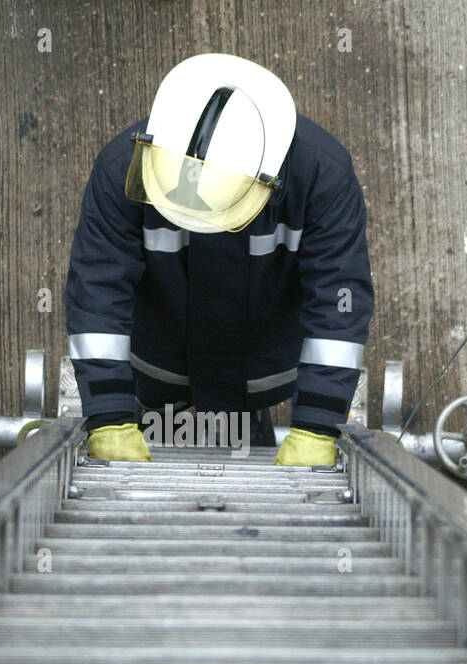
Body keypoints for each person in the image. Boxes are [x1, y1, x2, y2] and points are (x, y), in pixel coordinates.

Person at [64, 52, 373, 466]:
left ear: (269, 177)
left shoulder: (320, 175)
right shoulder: (122, 167)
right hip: (153, 369)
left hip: (255, 380)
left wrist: (317, 426)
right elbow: (97, 290)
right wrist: (109, 415)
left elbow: (339, 299)